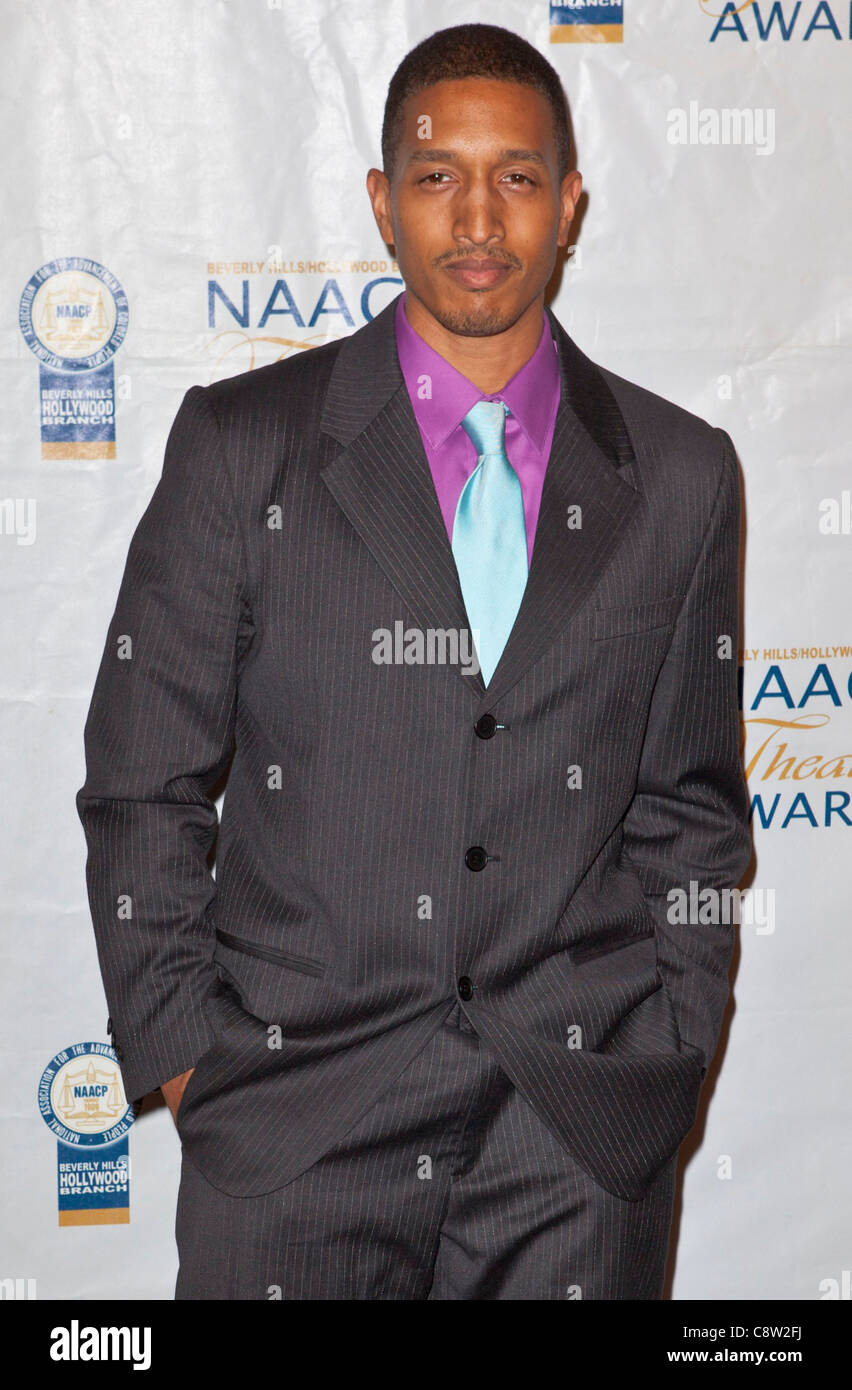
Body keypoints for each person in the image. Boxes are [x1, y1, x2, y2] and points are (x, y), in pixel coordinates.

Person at [77, 22, 752, 1300]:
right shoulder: (244, 446)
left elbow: (691, 809)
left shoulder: (679, 474)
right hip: (292, 1121)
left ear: (571, 205)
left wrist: (670, 1044)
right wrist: (188, 1060)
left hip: (573, 1136)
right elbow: (142, 781)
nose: (480, 216)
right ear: (384, 203)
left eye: (519, 175)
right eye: (440, 177)